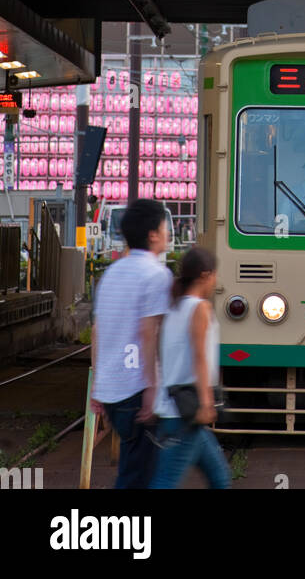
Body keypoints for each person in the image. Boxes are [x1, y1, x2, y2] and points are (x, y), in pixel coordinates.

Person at [89, 198, 173, 488]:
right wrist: (152, 389)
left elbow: (98, 331)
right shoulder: (157, 275)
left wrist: (97, 387)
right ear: (152, 234)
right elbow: (149, 334)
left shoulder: (111, 274)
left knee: (134, 466)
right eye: (165, 227)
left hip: (111, 391)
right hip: (136, 390)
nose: (168, 233)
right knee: (137, 476)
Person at [150, 245, 231, 490]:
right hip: (185, 414)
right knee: (165, 482)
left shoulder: (173, 309)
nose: (216, 281)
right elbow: (200, 358)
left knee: (220, 478)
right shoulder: (200, 308)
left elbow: (161, 355)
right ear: (205, 275)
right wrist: (207, 403)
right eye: (215, 275)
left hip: (177, 410)